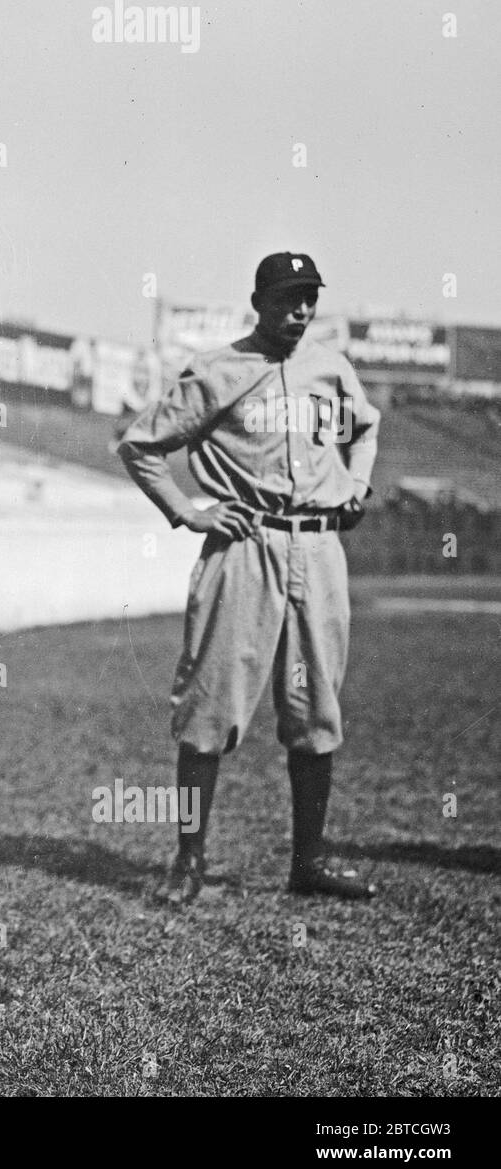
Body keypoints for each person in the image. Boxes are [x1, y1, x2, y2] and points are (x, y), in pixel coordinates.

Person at [117, 252, 381, 904]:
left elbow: (365, 428)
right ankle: (189, 858)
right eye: (289, 297)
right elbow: (142, 444)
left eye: (310, 297)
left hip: (318, 549)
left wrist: (355, 483)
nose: (301, 310)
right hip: (245, 544)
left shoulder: (329, 367)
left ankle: (309, 860)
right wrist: (187, 510)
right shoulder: (217, 370)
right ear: (258, 301)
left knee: (317, 709)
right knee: (208, 707)